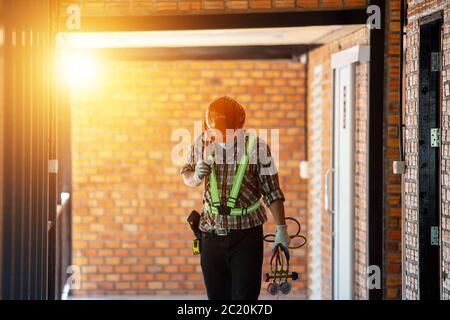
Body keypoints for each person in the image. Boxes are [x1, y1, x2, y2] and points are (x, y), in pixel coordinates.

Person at [180, 96, 290, 300]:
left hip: (246, 237)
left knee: (244, 300)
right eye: (216, 132)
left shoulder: (257, 148)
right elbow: (187, 175)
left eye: (226, 133)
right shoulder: (202, 143)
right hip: (211, 234)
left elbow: (272, 191)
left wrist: (281, 229)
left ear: (239, 127)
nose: (220, 137)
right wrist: (195, 176)